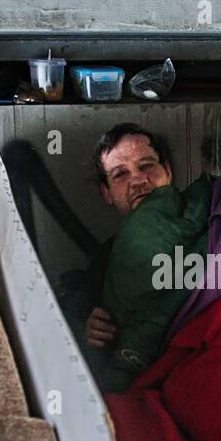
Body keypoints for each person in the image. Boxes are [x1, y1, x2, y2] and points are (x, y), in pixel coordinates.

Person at [70, 122, 176, 356]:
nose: (138, 181)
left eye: (146, 165)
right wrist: (91, 332)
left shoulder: (215, 217)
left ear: (168, 171)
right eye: (120, 174)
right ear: (106, 193)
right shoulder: (105, 264)